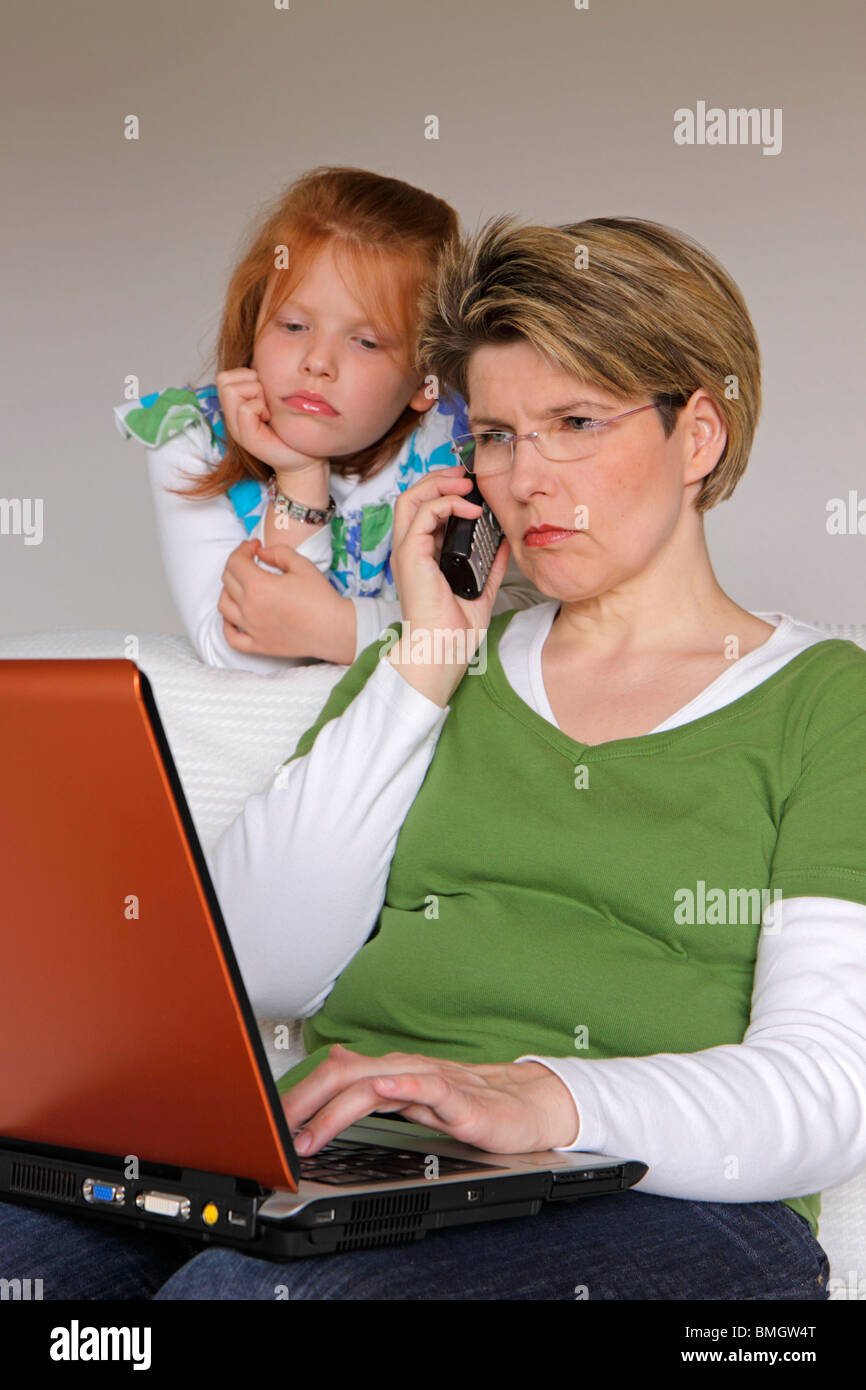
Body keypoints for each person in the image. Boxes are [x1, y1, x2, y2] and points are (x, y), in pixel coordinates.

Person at [4, 214, 863, 1299]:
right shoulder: (430, 660)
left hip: (650, 1195)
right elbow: (258, 964)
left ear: (697, 437)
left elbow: (831, 1084)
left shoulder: (825, 703)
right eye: (496, 434)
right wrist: (427, 661)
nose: (525, 478)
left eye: (574, 423)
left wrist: (538, 1094)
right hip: (354, 1161)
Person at [113, 166, 544, 671]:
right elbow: (242, 655)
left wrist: (338, 627)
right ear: (253, 322)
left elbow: (524, 626)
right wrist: (299, 477)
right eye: (294, 325)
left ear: (424, 375)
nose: (317, 362)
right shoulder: (188, 435)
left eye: (365, 342)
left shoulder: (466, 443)